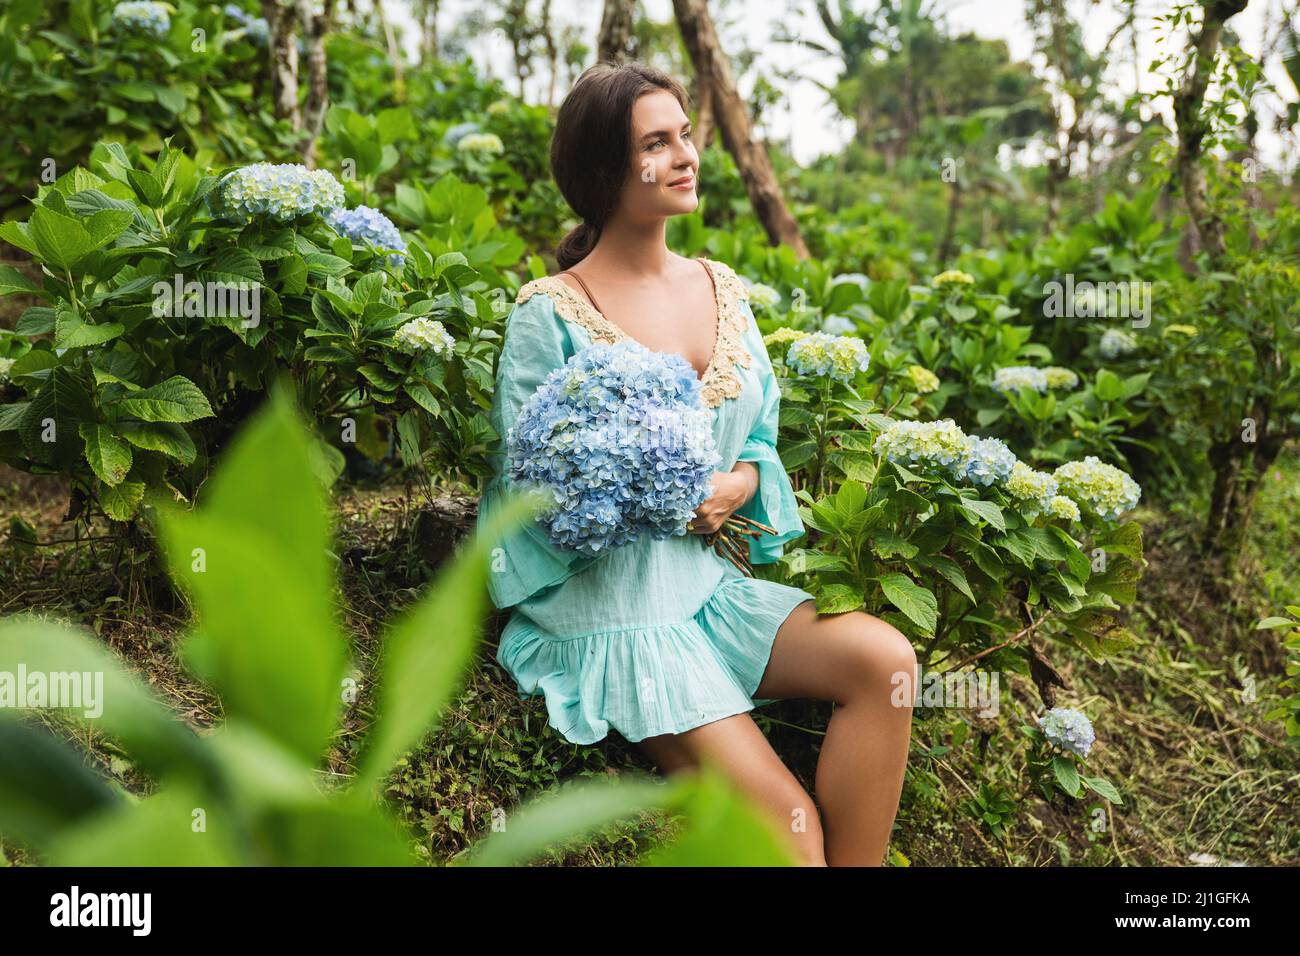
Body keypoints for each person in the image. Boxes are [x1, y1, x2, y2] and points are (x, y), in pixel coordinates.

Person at [475, 61, 917, 867]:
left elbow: (758, 440)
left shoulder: (722, 289)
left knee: (885, 663)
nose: (686, 156)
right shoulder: (550, 311)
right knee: (792, 828)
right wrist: (647, 495)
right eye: (657, 143)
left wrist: (736, 485)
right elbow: (528, 491)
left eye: (684, 135)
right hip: (613, 612)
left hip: (708, 593)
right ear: (605, 169)